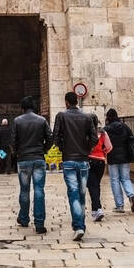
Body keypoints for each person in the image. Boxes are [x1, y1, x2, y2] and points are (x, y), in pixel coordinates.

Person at [52, 91, 98, 242]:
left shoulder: (61, 116)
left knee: (73, 193)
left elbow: (55, 136)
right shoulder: (86, 117)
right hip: (83, 160)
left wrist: (62, 148)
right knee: (81, 193)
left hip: (69, 160)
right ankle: (80, 225)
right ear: (77, 101)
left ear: (66, 102)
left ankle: (78, 226)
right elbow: (94, 138)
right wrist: (87, 148)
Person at [12, 97, 51, 233]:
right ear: (33, 107)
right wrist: (44, 150)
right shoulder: (42, 120)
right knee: (39, 190)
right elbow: (50, 138)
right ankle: (39, 223)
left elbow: (13, 141)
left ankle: (24, 218)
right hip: (38, 158)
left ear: (22, 107)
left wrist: (18, 152)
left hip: (23, 159)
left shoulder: (17, 121)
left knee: (24, 190)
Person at [104, 108, 134, 213]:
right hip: (125, 157)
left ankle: (119, 206)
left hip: (112, 157)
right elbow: (132, 139)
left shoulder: (107, 129)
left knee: (115, 180)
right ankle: (131, 195)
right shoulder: (124, 127)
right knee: (126, 178)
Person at [87, 122, 113, 222]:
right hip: (101, 161)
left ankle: (98, 209)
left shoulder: (87, 132)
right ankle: (95, 210)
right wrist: (103, 152)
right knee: (96, 185)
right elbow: (109, 147)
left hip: (90, 160)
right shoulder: (103, 133)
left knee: (91, 186)